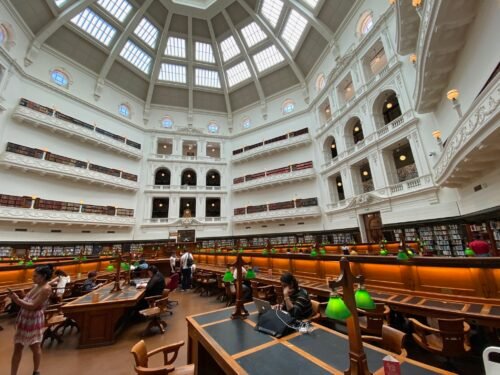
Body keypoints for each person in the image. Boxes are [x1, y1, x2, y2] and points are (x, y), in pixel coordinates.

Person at [9, 264, 53, 375]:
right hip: (25, 318)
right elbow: (27, 300)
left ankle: (36, 371)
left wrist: (16, 299)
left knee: (35, 346)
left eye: (35, 276)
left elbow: (32, 306)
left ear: (43, 276)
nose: (33, 278)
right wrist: (21, 295)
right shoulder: (36, 286)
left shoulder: (46, 289)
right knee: (18, 346)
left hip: (33, 320)